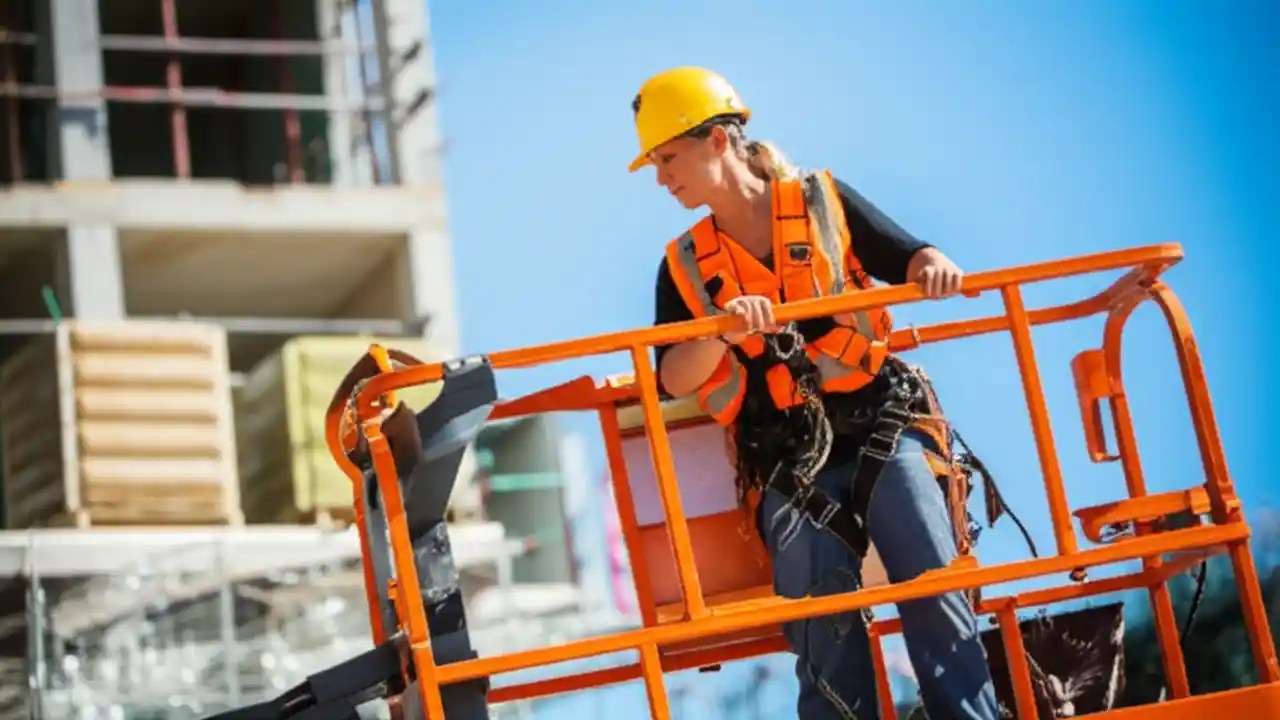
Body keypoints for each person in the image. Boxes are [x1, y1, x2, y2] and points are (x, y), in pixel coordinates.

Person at [631, 66, 1001, 720]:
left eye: (668, 157)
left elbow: (910, 256)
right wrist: (721, 331)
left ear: (718, 141)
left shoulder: (822, 200)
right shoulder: (682, 264)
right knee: (823, 634)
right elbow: (672, 376)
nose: (662, 178)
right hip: (787, 460)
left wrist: (934, 268)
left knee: (937, 589)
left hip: (883, 424)